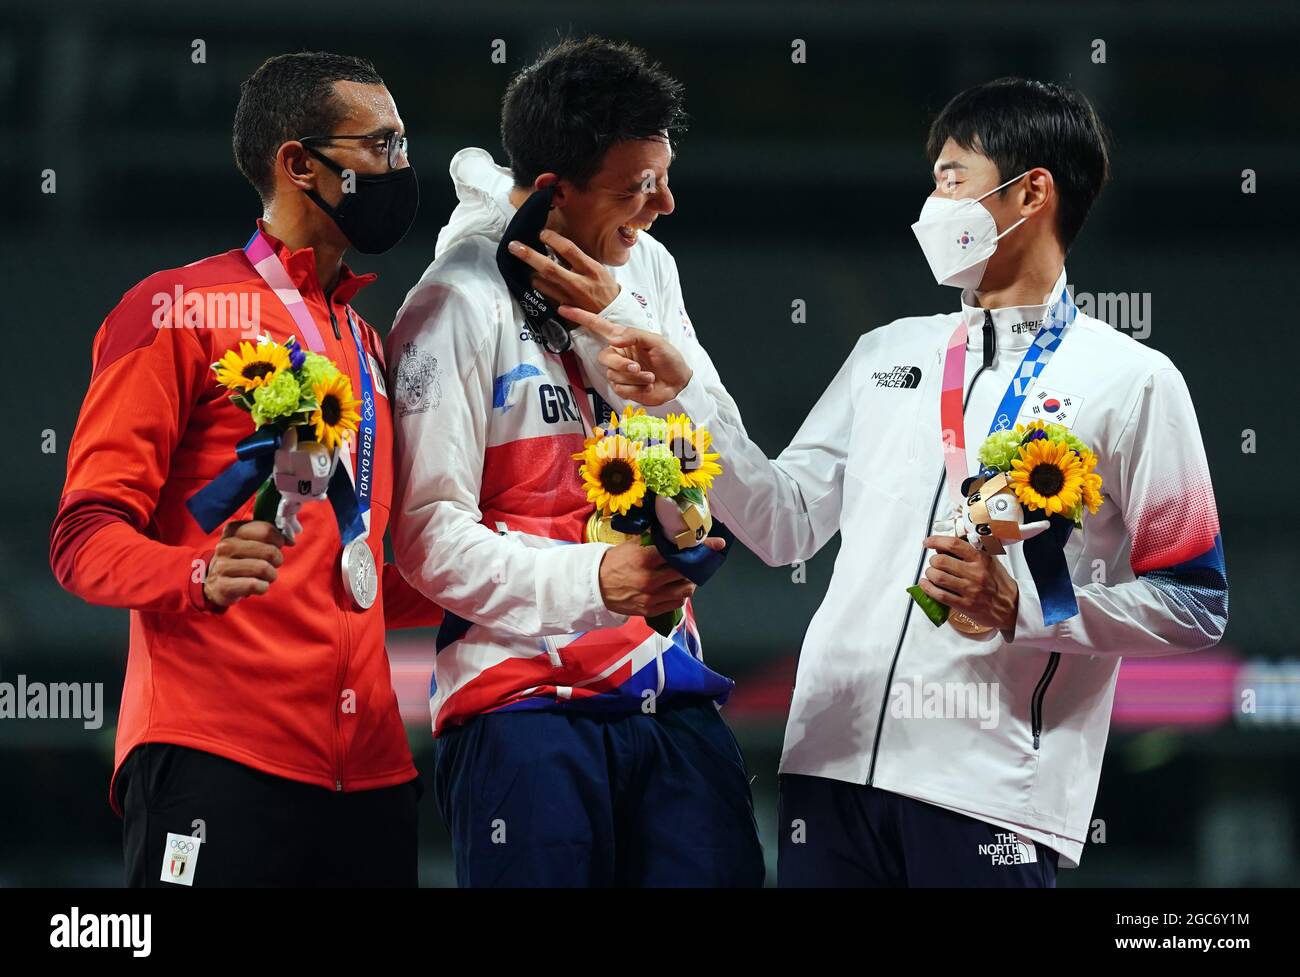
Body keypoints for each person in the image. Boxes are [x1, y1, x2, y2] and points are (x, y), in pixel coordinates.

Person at [566, 77, 1228, 887]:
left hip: (990, 790)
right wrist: (685, 397)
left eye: (952, 178)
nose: (932, 203)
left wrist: (1027, 606)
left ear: (1032, 192)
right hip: (829, 765)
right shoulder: (889, 352)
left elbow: (1197, 600)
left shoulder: (1134, 381)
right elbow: (783, 523)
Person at [50, 51, 440, 887]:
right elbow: (82, 539)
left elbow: (360, 572)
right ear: (298, 163)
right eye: (380, 147)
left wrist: (546, 574)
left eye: (404, 146)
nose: (401, 169)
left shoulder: (370, 346)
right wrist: (195, 570)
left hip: (370, 776)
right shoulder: (174, 309)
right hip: (219, 757)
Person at [387, 37, 764, 887]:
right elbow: (425, 537)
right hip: (521, 705)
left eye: (664, 175)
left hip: (667, 687)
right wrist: (596, 581)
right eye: (639, 186)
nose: (665, 203)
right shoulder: (453, 303)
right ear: (555, 190)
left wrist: (648, 363)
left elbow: (722, 453)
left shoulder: (650, 272)